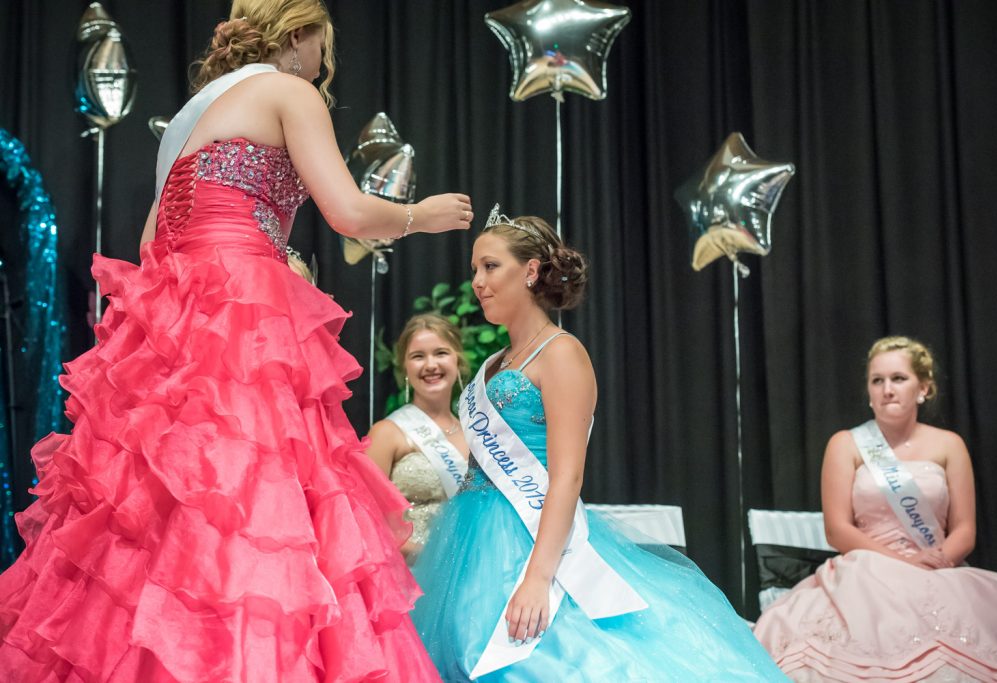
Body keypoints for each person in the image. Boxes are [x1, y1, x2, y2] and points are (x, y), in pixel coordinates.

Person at [0, 1, 472, 680]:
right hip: (244, 305)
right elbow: (346, 210)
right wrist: (419, 215)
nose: (324, 65)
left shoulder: (190, 118)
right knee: (256, 493)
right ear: (299, 34)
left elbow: (149, 242)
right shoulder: (289, 91)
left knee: (159, 505)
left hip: (171, 318)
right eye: (323, 46)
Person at [410, 205, 786, 681]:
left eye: (490, 266)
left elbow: (567, 476)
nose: (478, 282)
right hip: (471, 542)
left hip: (530, 539)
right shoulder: (496, 362)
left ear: (530, 271)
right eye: (474, 270)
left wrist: (539, 577)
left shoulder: (562, 353)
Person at [754, 336, 997, 681]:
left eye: (898, 378)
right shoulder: (846, 444)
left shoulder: (949, 444)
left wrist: (938, 560)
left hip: (939, 569)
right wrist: (906, 564)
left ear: (923, 388)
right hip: (864, 570)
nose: (887, 389)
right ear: (869, 391)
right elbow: (837, 529)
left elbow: (965, 529)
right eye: (877, 380)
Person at [366, 314, 470, 563]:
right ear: (405, 367)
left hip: (463, 569)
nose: (430, 365)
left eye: (441, 353)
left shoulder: (474, 435)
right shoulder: (386, 433)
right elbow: (364, 517)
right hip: (407, 572)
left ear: (457, 360)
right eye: (418, 356)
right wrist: (426, 556)